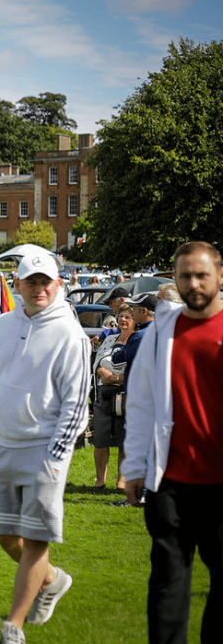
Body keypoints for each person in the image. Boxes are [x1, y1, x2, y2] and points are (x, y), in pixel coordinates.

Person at [0, 252, 91, 644]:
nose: (40, 289)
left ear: (59, 284)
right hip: (1, 447)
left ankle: (14, 625)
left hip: (44, 450)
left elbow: (76, 405)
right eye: (32, 282)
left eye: (47, 282)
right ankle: (52, 579)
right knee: (4, 533)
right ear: (18, 285)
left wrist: (56, 459)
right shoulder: (5, 325)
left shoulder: (70, 334)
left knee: (35, 539)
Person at [123, 241, 223, 644]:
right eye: (185, 276)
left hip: (220, 484)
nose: (194, 283)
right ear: (175, 280)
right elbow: (143, 403)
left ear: (219, 276)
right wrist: (132, 469)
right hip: (171, 483)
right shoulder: (162, 332)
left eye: (202, 275)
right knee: (168, 585)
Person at [92, 306, 135, 490]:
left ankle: (122, 480)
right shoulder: (109, 339)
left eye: (128, 317)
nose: (123, 320)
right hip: (104, 395)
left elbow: (139, 371)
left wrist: (116, 378)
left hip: (127, 395)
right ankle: (100, 480)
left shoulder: (138, 340)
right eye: (121, 316)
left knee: (123, 440)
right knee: (100, 439)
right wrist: (102, 371)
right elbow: (97, 363)